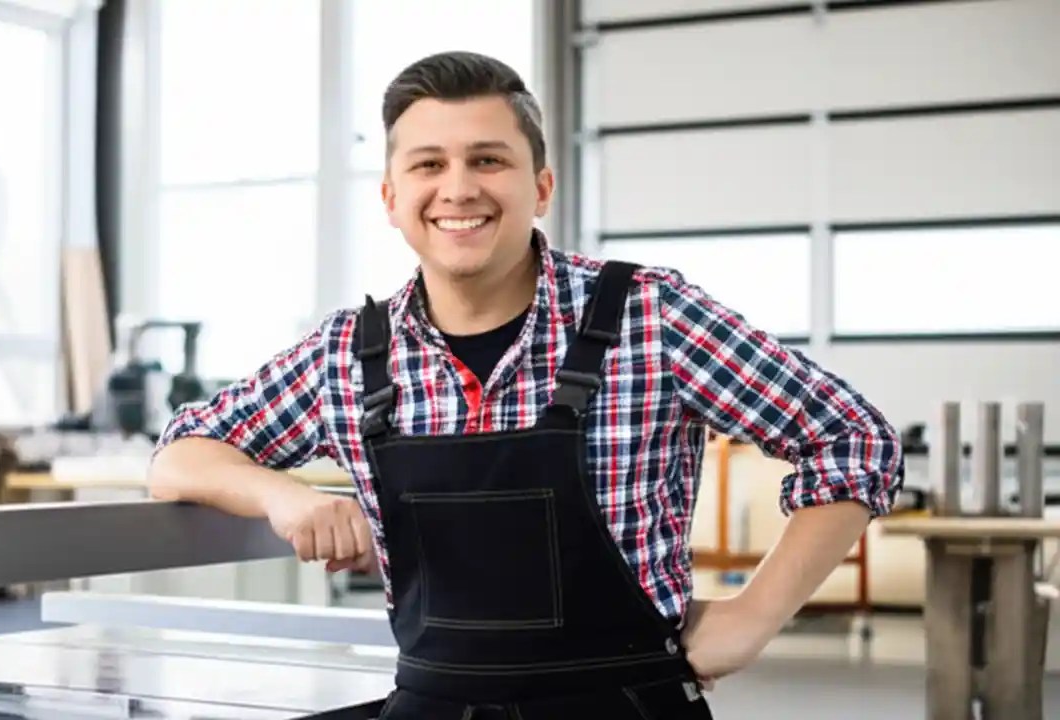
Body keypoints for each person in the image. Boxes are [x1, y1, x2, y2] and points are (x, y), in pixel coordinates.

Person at [148, 51, 904, 719]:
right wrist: (286, 496)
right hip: (432, 704)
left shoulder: (649, 315)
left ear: (540, 186)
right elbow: (181, 451)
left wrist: (753, 616)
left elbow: (851, 438)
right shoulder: (348, 352)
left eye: (487, 160)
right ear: (390, 199)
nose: (458, 188)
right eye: (428, 165)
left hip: (623, 704)